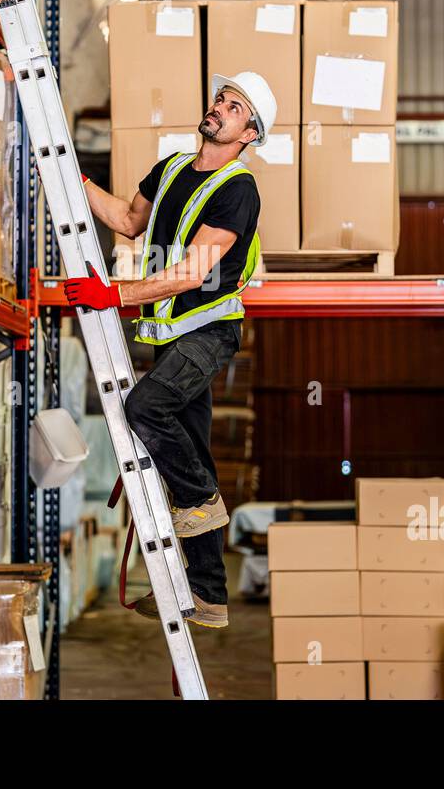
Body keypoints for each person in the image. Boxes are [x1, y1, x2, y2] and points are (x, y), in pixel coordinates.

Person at [63, 71, 277, 629]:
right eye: (221, 98)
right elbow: (127, 220)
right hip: (171, 335)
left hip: (209, 331)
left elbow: (191, 273)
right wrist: (73, 178)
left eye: (234, 107)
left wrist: (114, 294)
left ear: (249, 134)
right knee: (193, 452)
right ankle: (209, 596)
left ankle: (199, 498)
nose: (220, 106)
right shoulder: (171, 169)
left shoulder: (238, 189)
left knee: (144, 409)